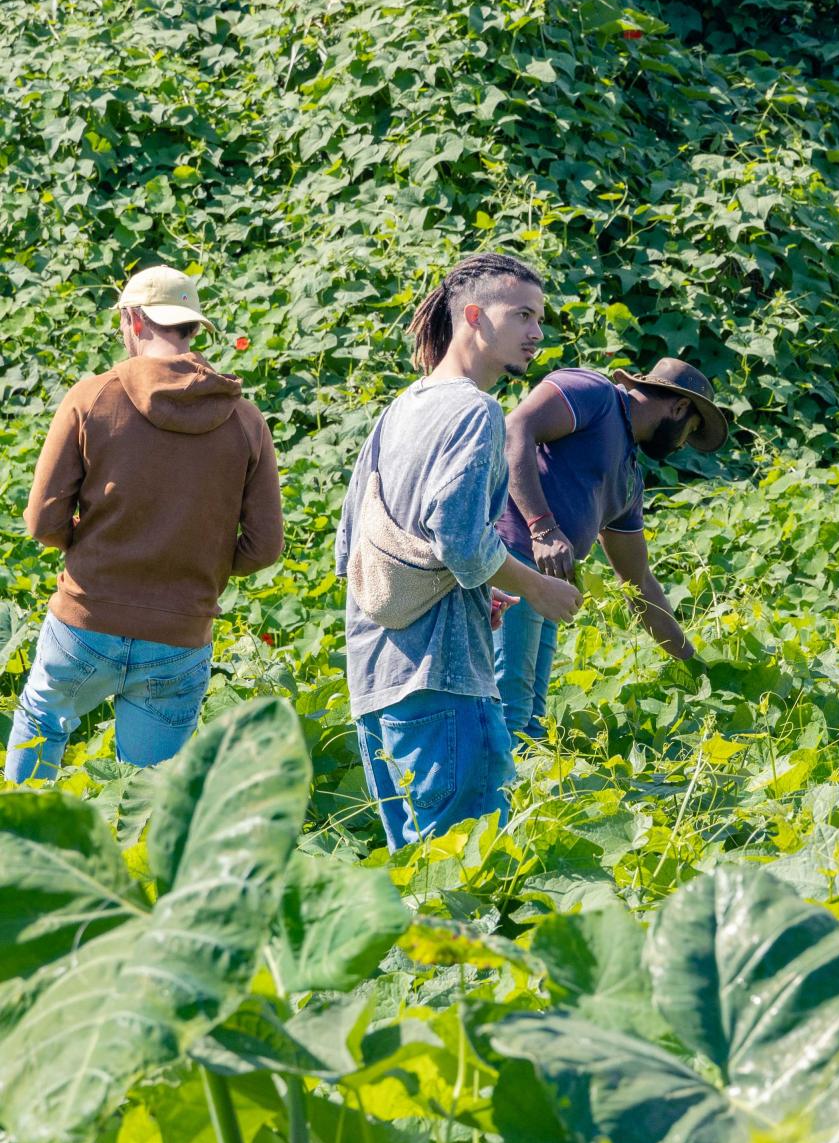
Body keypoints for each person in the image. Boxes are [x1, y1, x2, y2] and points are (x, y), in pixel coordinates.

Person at [335, 253, 582, 852]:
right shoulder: (476, 410)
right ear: (474, 316)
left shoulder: (403, 407)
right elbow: (464, 542)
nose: (536, 333)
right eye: (521, 315)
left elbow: (350, 542)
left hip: (374, 675)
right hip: (440, 677)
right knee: (464, 879)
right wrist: (539, 589)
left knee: (417, 877)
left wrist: (477, 588)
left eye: (540, 318)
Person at [5, 265, 283, 782]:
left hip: (85, 622)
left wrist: (90, 547)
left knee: (42, 721)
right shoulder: (245, 420)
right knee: (146, 791)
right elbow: (265, 546)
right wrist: (202, 564)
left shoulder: (91, 398)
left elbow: (42, 520)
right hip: (180, 633)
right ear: (193, 328)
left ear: (134, 320)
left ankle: (17, 851)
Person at [495, 356, 728, 742]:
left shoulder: (628, 478)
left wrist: (694, 665)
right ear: (679, 407)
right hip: (509, 562)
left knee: (530, 722)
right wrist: (543, 528)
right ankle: (485, 801)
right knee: (509, 713)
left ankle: (517, 798)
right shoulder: (594, 393)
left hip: (549, 585)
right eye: (691, 429)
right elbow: (515, 429)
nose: (685, 443)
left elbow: (637, 581)